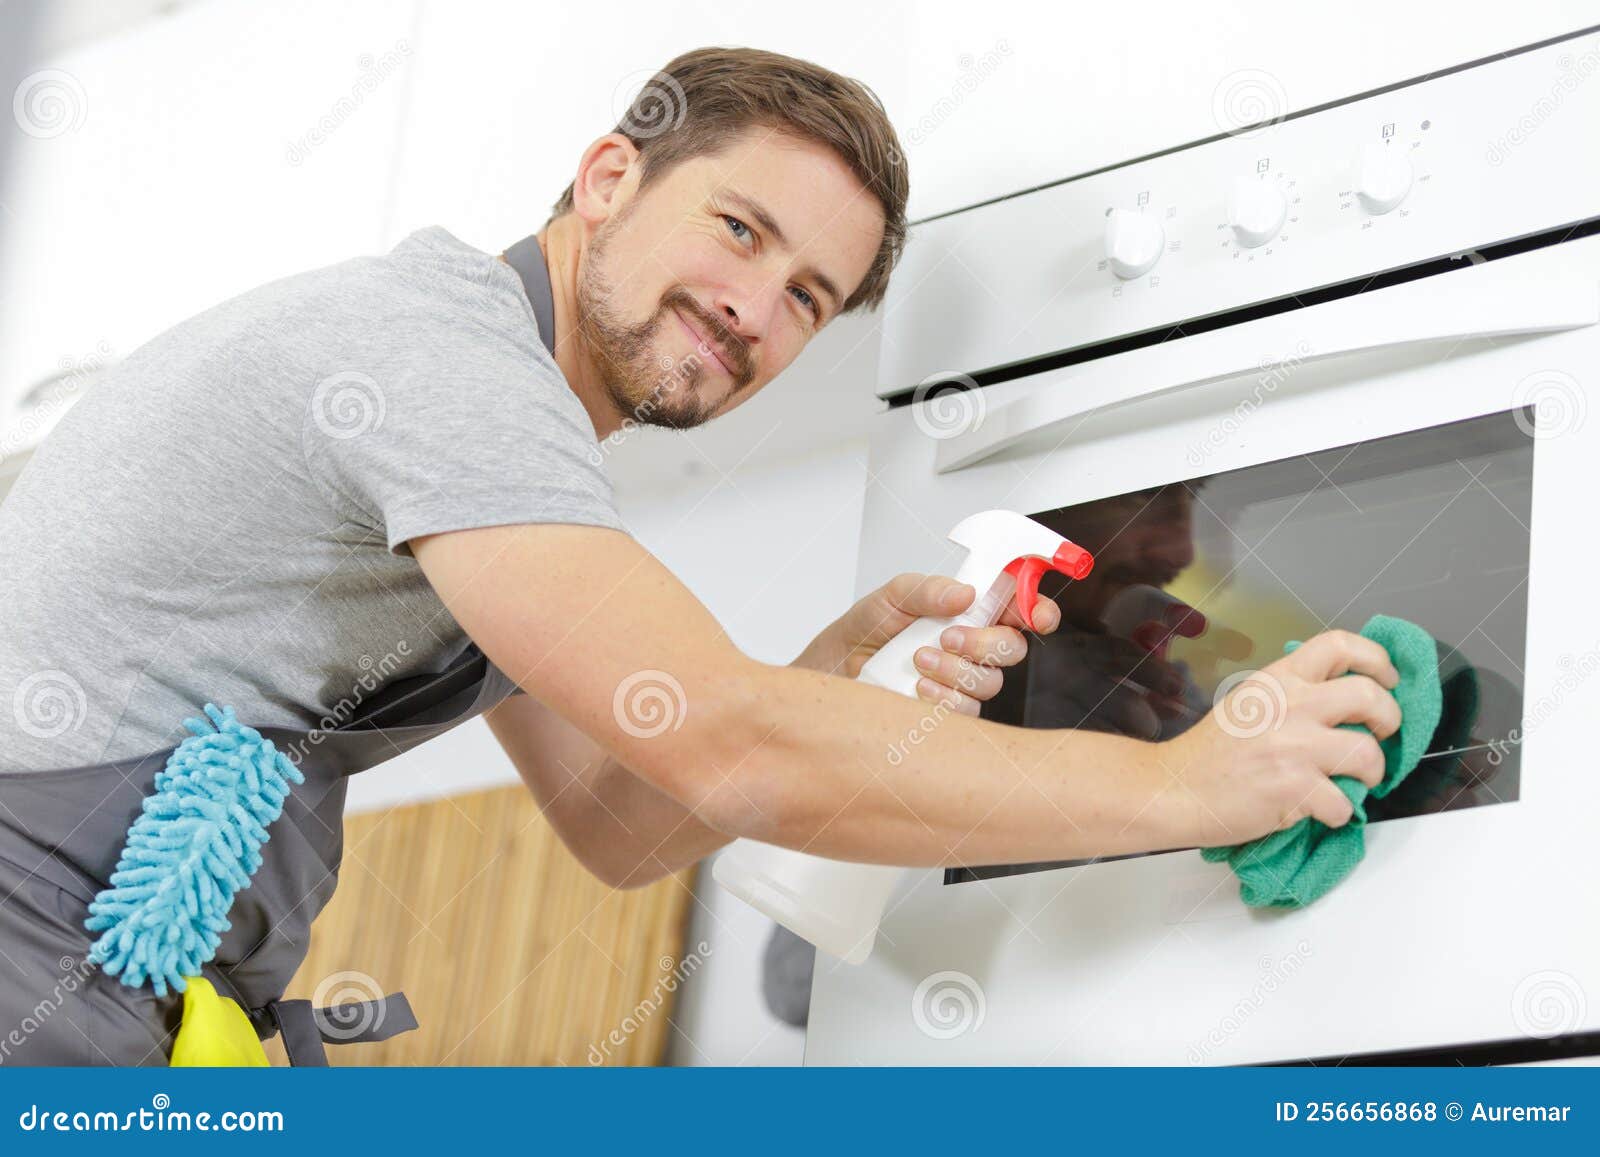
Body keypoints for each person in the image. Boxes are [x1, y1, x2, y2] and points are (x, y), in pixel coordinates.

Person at [0, 48, 1399, 1059]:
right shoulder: (441, 369)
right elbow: (731, 749)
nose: (753, 311)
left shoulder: (513, 454)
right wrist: (1189, 783)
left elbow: (625, 824)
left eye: (808, 297)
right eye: (740, 229)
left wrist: (820, 677)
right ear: (608, 178)